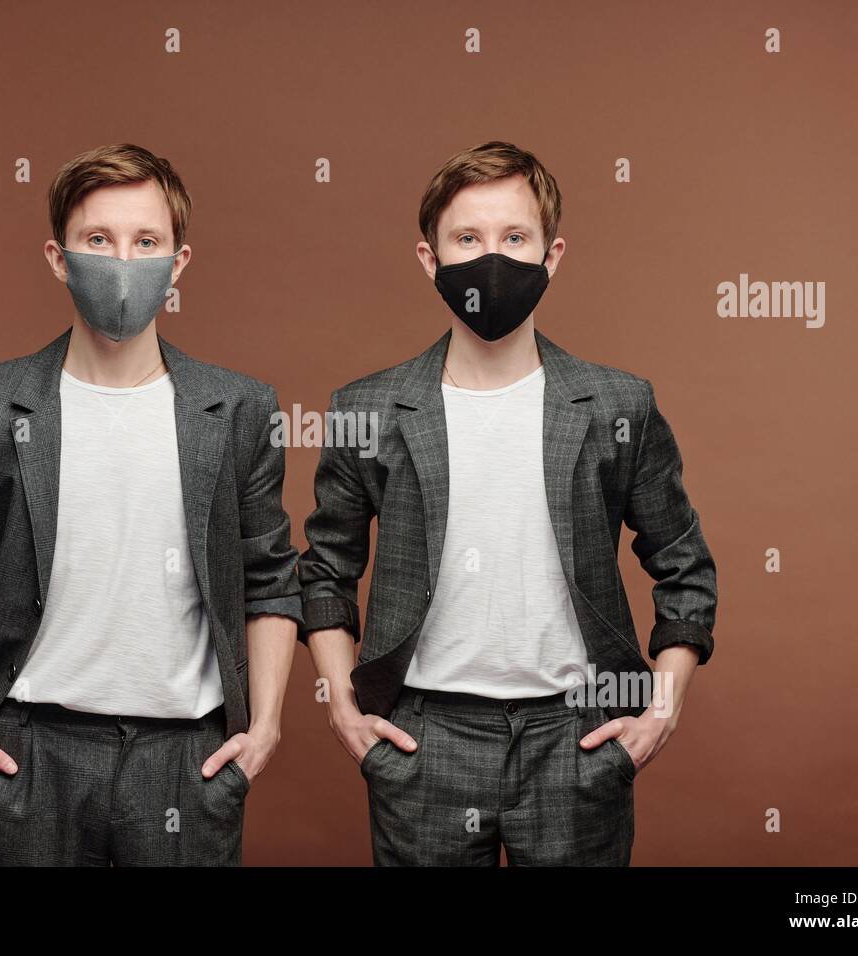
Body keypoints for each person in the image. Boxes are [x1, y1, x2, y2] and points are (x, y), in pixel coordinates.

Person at [297, 141, 718, 865]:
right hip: (421, 741)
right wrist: (341, 704)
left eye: (514, 238)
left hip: (578, 740)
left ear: (551, 257)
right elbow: (325, 572)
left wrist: (661, 708)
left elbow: (684, 569)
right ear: (430, 259)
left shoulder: (618, 405)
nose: (491, 257)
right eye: (467, 238)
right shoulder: (366, 410)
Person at [0, 143, 301, 866]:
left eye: (146, 242)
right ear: (58, 258)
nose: (122, 262)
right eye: (98, 240)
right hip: (28, 756)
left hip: (189, 759)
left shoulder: (238, 407)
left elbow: (270, 574)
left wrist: (264, 724)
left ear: (178, 263)